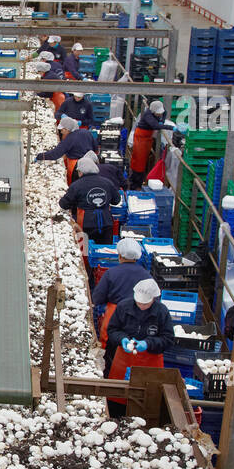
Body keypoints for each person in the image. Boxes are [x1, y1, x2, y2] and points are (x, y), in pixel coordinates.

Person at [105, 278, 175, 416]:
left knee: (148, 399)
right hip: (124, 360)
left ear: (154, 299)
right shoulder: (123, 307)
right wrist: (122, 339)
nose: (142, 305)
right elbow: (112, 330)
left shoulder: (161, 312)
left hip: (150, 363)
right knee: (118, 397)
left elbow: (168, 339)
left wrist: (148, 343)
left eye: (145, 303)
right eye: (139, 302)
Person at [91, 237, 151, 347]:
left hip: (115, 319)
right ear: (137, 257)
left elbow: (97, 298)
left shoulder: (111, 273)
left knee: (111, 352)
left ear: (119, 256)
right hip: (139, 320)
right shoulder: (146, 275)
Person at [58, 154, 121, 246]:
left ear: (80, 172)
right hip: (106, 223)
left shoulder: (76, 185)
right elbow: (116, 200)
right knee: (104, 250)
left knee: (85, 251)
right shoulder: (107, 182)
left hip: (85, 224)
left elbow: (64, 204)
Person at [38, 116, 97, 184]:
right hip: (90, 164)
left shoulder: (69, 139)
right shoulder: (86, 132)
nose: (61, 132)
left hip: (76, 166)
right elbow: (95, 147)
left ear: (67, 129)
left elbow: (55, 154)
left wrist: (40, 156)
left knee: (75, 185)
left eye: (62, 130)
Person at [128, 100, 168, 190]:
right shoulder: (148, 115)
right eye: (158, 114)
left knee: (142, 160)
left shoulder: (159, 112)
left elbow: (165, 112)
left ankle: (136, 181)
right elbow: (155, 126)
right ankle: (135, 183)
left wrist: (162, 120)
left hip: (147, 139)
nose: (160, 115)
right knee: (138, 161)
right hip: (141, 138)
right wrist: (171, 128)